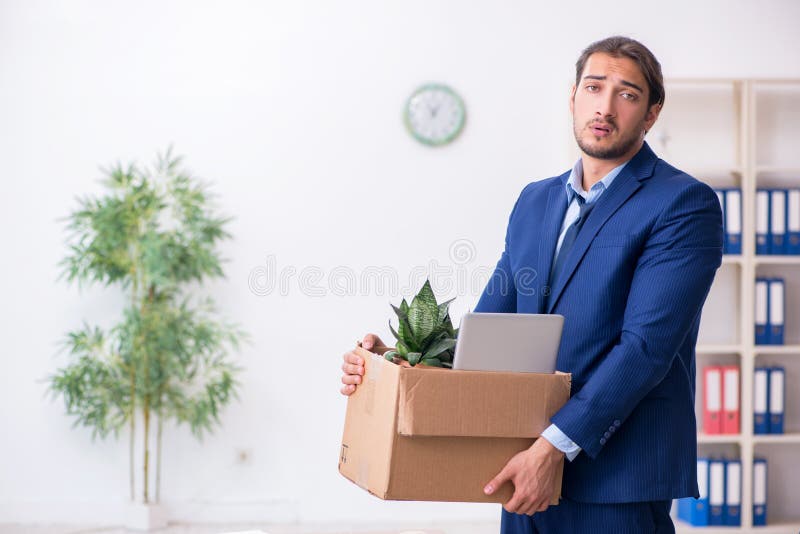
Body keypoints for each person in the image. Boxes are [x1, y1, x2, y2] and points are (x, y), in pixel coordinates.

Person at [340, 35, 723, 534]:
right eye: (594, 87)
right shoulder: (535, 201)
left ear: (651, 114)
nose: (605, 107)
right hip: (519, 468)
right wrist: (396, 360)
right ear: (573, 97)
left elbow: (645, 350)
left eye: (627, 94)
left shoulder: (683, 203)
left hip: (614, 478)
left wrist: (553, 448)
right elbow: (489, 332)